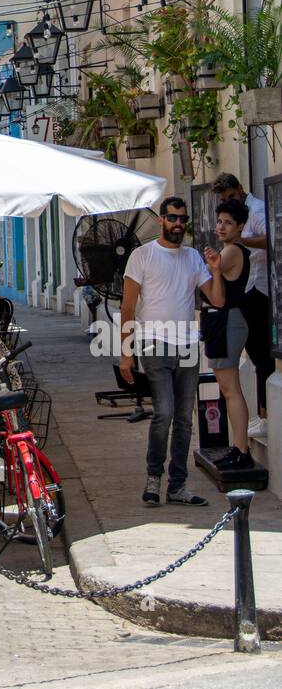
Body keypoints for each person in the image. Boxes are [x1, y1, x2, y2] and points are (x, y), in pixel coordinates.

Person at [121, 196, 224, 507]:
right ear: (162, 220)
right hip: (153, 343)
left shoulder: (193, 258)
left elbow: (217, 300)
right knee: (164, 412)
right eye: (173, 217)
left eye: (183, 219)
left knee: (184, 418)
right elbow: (127, 307)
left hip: (188, 345)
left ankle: (177, 486)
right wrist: (126, 353)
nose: (178, 223)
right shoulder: (142, 256)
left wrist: (215, 270)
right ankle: (154, 477)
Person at [213, 172, 271, 439]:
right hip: (248, 288)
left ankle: (267, 414)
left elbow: (271, 239)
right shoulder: (235, 216)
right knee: (257, 355)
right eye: (224, 200)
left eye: (232, 197)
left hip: (260, 288)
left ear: (240, 189)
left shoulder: (257, 210)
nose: (229, 201)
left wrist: (241, 242)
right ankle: (263, 413)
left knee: (262, 355)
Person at [200, 199, 254, 471]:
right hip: (223, 321)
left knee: (231, 390)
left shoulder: (233, 251)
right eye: (219, 221)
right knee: (228, 388)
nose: (221, 227)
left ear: (240, 226)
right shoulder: (227, 251)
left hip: (227, 320)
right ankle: (239, 447)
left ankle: (241, 450)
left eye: (228, 223)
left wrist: (212, 269)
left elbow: (217, 293)